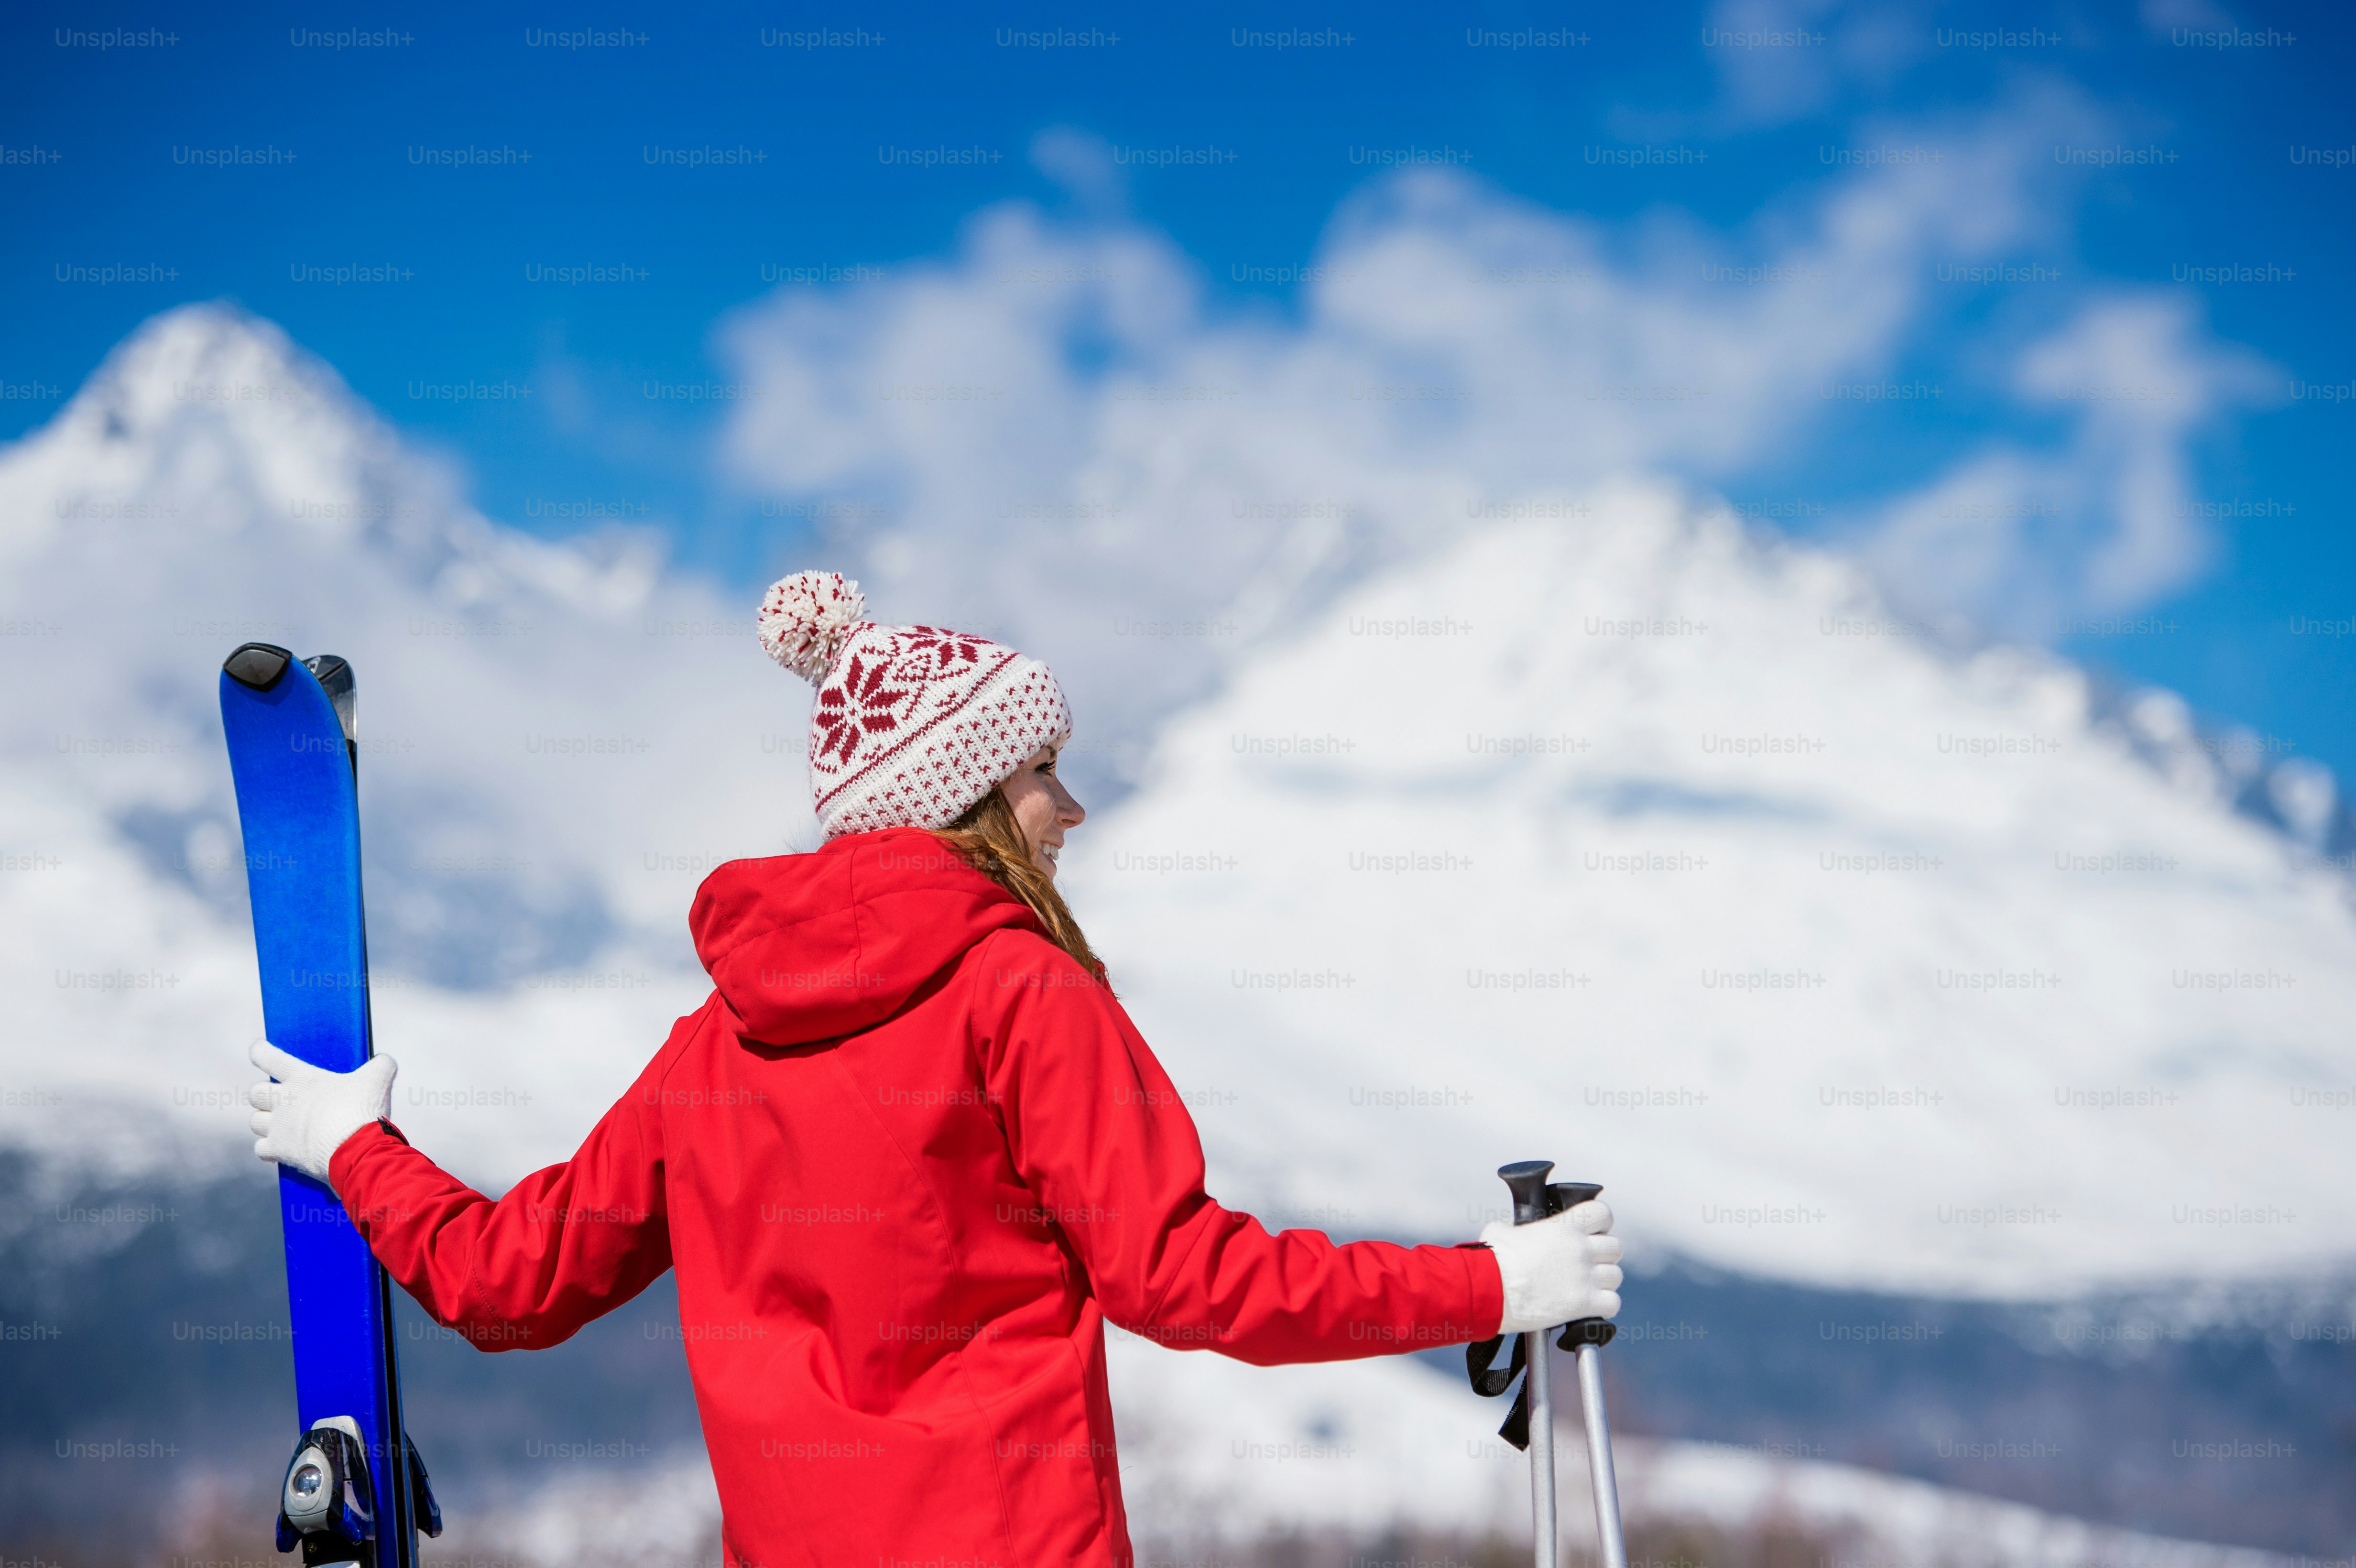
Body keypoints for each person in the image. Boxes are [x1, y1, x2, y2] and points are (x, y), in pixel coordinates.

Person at [246, 569, 1624, 1568]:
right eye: (1044, 773)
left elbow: (508, 1283)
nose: (1070, 809)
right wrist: (1491, 1283)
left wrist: (353, 1148)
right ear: (967, 796)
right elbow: (1190, 1279)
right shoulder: (1021, 993)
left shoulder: (714, 1044)